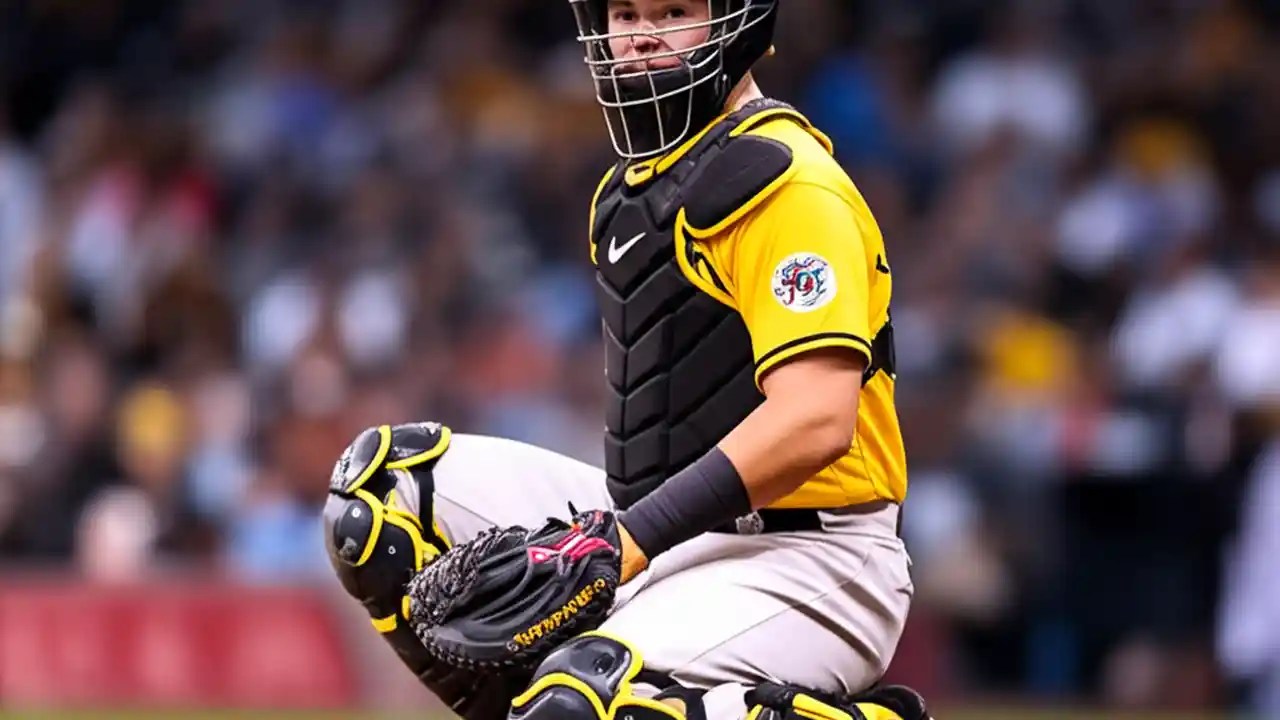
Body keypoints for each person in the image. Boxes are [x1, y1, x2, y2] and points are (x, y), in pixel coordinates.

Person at [321, 1, 929, 718]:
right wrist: (617, 537)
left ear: (741, 23)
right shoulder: (630, 192)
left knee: (583, 700)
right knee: (382, 490)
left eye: (674, 11)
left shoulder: (789, 185)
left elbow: (816, 420)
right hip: (663, 531)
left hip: (813, 557)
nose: (640, 33)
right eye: (624, 12)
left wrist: (623, 542)